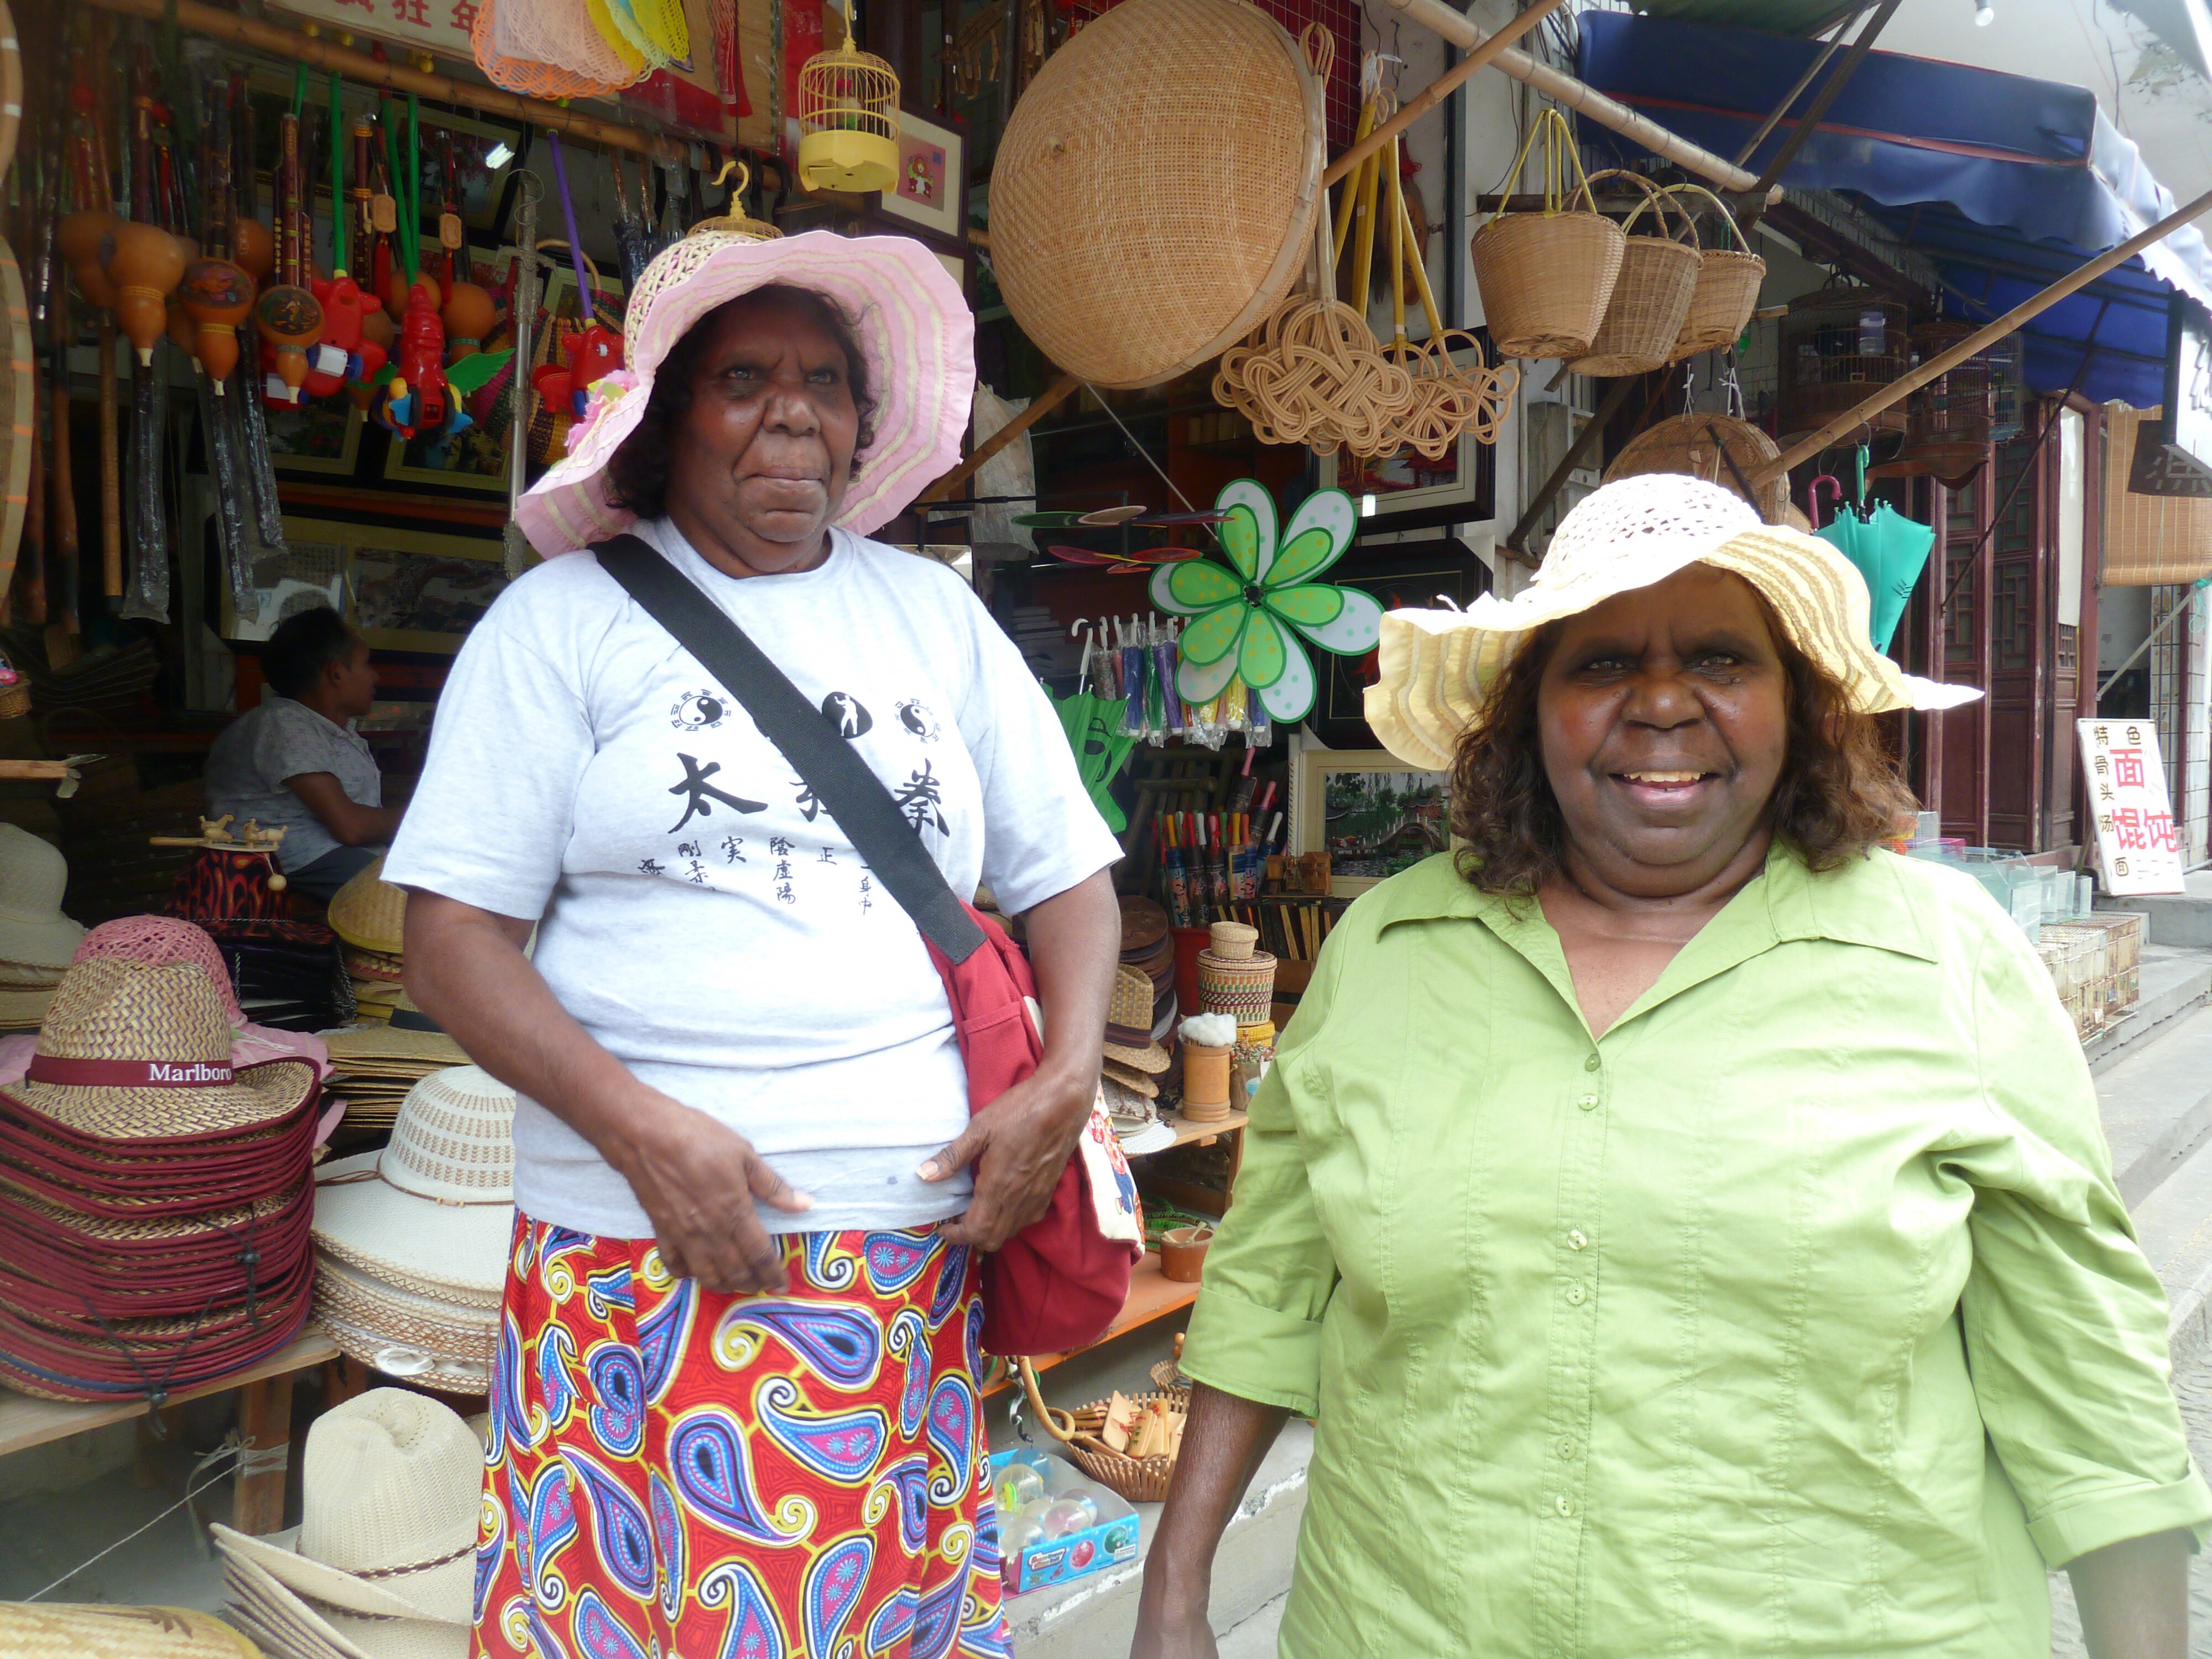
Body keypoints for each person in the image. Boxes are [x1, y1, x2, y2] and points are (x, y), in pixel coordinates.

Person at [1132, 474, 2212, 1659]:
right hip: (1405, 1622)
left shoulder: (1944, 957)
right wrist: (1175, 1592)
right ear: (1527, 707)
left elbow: (2081, 1376)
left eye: (1717, 659)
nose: (1658, 702)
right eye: (1599, 664)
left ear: (1794, 706)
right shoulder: (1387, 948)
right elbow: (1268, 1287)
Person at [385, 223, 1123, 1658]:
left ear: (860, 428)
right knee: (628, 1608)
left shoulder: (935, 619)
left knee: (870, 1609)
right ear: (668, 427)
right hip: (637, 1248)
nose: (793, 409)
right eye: (743, 377)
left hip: (905, 1247)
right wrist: (644, 1131)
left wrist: (1071, 1071)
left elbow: (1071, 878)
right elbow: (449, 943)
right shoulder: (558, 628)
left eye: (827, 381)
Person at [202, 607, 400, 901]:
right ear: (336, 673)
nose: (375, 677)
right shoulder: (284, 724)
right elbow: (350, 828)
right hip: (290, 863)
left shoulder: (325, 728)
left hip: (330, 857)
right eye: (366, 664)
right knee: (412, 903)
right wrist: (429, 822)